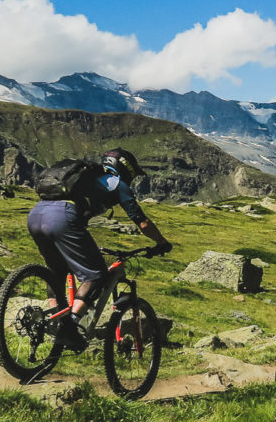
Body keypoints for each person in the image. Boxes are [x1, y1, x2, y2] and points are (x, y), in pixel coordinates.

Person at [27, 147, 171, 347]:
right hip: (62, 218)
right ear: (126, 169)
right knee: (96, 275)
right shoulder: (116, 183)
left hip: (36, 214)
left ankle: (54, 320)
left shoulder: (86, 180)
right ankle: (70, 327)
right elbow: (142, 222)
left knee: (58, 271)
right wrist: (162, 243)